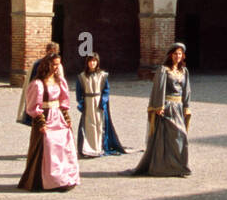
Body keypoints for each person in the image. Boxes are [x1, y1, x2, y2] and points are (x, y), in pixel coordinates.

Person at [17, 52, 79, 191]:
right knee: (48, 145)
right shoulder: (37, 84)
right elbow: (32, 106)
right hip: (45, 118)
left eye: (58, 64)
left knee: (64, 146)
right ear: (47, 65)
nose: (56, 67)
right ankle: (44, 180)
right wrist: (41, 123)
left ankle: (63, 178)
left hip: (58, 118)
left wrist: (67, 118)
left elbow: (63, 101)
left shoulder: (60, 81)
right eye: (54, 64)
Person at [131, 42, 192, 177]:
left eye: (180, 54)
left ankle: (180, 166)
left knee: (181, 136)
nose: (178, 56)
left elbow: (186, 90)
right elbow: (159, 88)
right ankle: (163, 167)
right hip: (167, 107)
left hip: (179, 107)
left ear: (183, 56)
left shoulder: (184, 71)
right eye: (175, 53)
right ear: (171, 55)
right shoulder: (164, 70)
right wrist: (159, 106)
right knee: (169, 137)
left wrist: (186, 106)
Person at [76, 53, 126, 157]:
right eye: (90, 61)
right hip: (88, 103)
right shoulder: (81, 76)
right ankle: (87, 148)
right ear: (87, 62)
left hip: (99, 103)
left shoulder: (102, 75)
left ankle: (100, 147)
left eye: (94, 61)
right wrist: (81, 103)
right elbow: (79, 92)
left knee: (99, 125)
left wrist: (103, 101)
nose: (92, 63)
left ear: (97, 62)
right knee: (88, 126)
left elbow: (106, 90)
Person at [16, 42, 65, 126]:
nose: (51, 53)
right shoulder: (37, 64)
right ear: (46, 51)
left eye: (53, 51)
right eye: (50, 51)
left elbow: (60, 82)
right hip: (40, 94)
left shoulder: (58, 65)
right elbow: (31, 81)